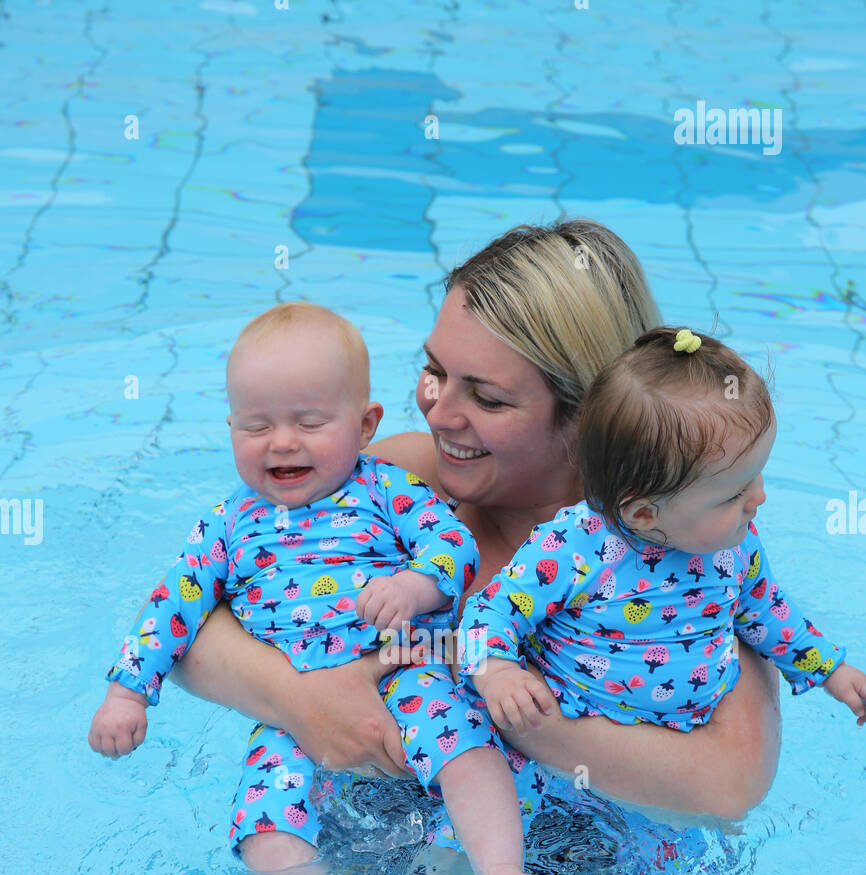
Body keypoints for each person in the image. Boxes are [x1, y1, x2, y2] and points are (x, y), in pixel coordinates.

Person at [162, 220, 783, 825]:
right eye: (435, 371)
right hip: (359, 830)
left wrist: (488, 698)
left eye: (487, 398)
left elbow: (731, 783)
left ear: (585, 420)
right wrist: (300, 701)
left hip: (584, 864)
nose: (437, 411)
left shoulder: (684, 545)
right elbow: (186, 619)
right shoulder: (395, 486)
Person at [88, 303, 565, 875]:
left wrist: (412, 585)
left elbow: (454, 546)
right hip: (291, 715)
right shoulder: (227, 523)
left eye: (309, 423)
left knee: (468, 752)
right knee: (262, 814)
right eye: (256, 425)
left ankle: (497, 870)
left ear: (366, 426)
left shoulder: (387, 489)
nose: (282, 443)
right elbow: (173, 605)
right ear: (231, 429)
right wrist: (128, 691)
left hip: (409, 670)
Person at [461, 326, 865, 738]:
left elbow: (766, 610)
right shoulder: (574, 549)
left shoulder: (735, 545)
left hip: (685, 743)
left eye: (757, 475)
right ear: (642, 514)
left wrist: (832, 671)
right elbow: (489, 612)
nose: (758, 497)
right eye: (734, 493)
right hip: (574, 735)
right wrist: (497, 673)